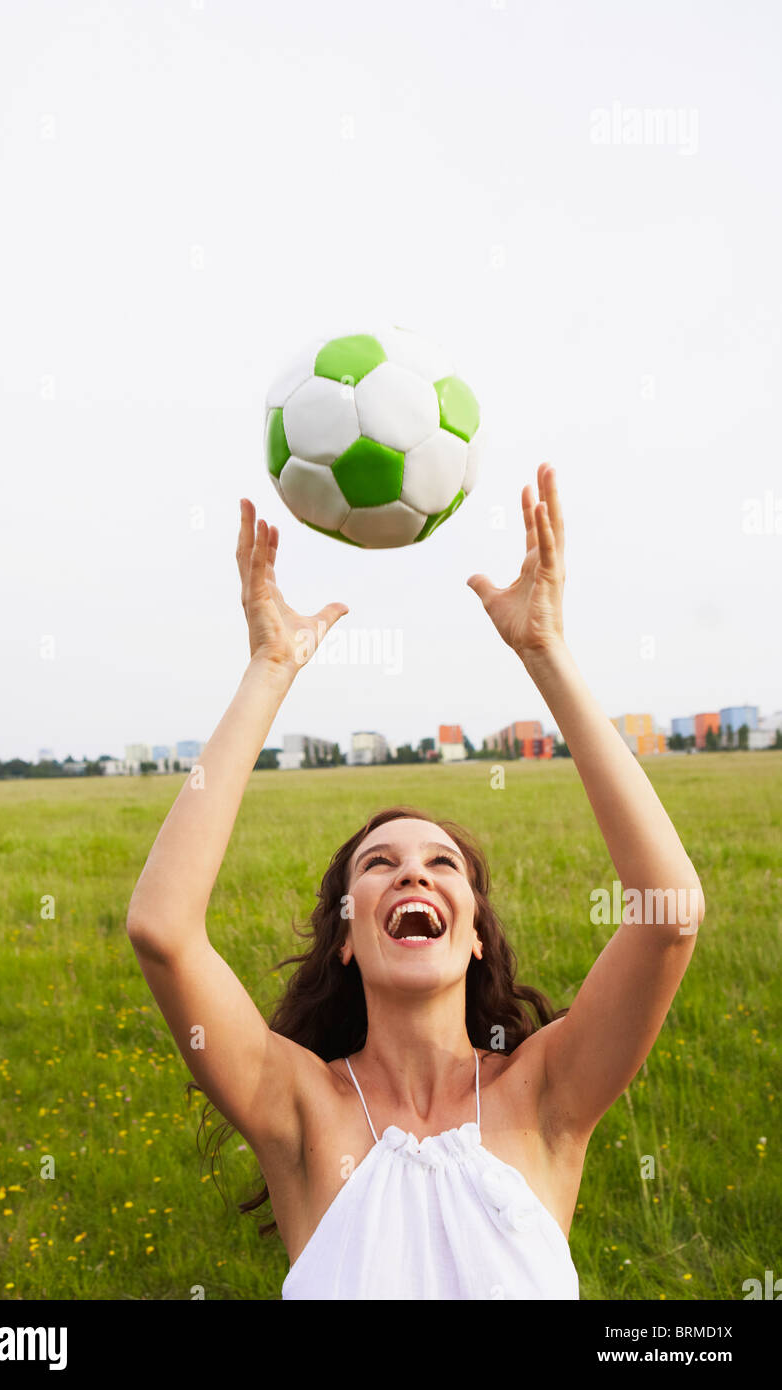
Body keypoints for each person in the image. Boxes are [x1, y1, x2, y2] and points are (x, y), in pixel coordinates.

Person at [125, 466, 704, 1299]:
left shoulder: (544, 1093)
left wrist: (546, 651)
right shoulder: (299, 1108)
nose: (411, 875)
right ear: (347, 937)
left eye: (442, 865)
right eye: (379, 866)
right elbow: (163, 931)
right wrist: (271, 667)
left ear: (472, 934)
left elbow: (670, 917)